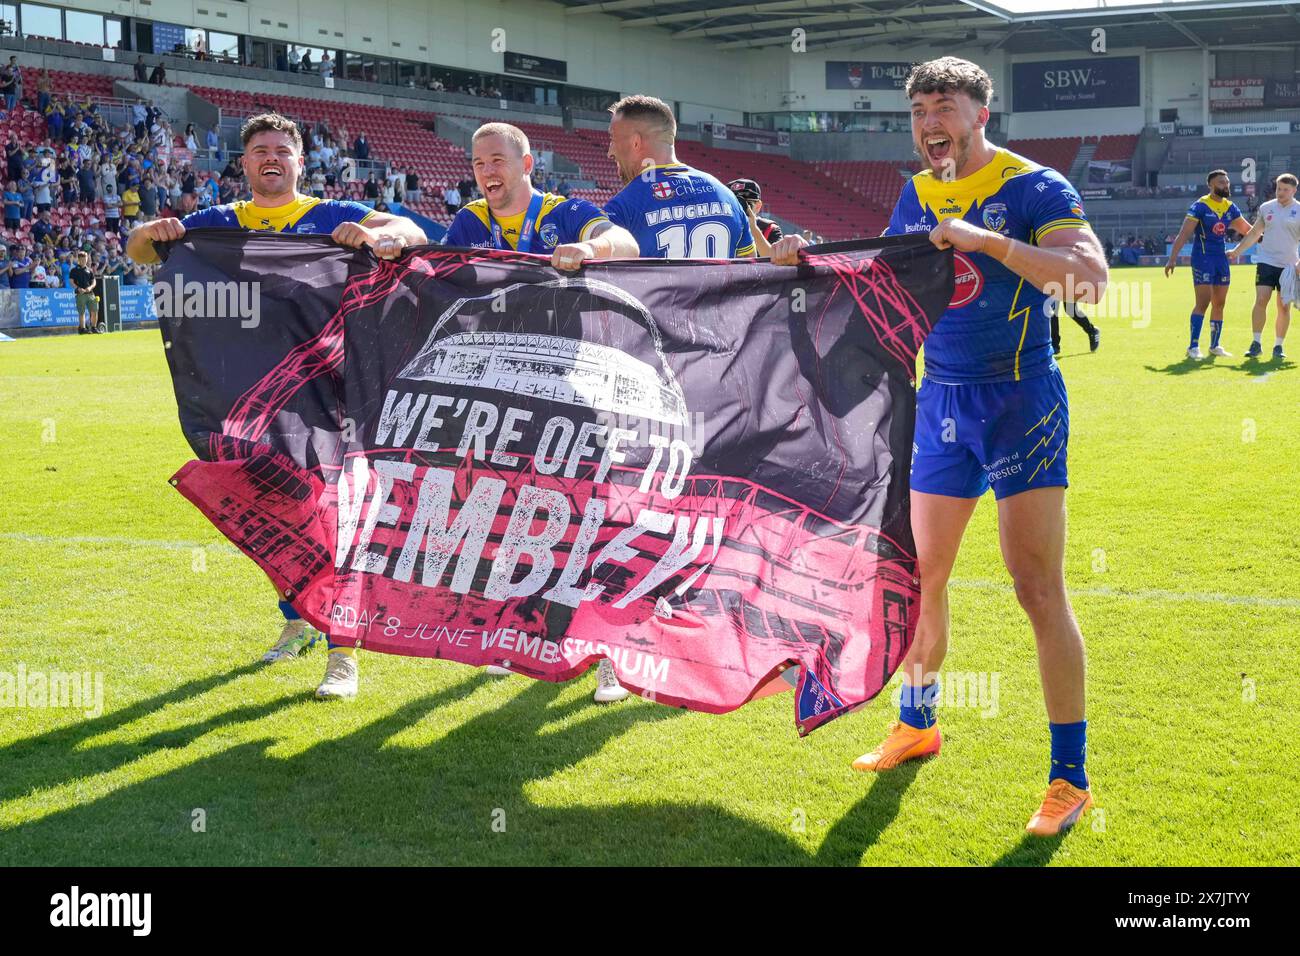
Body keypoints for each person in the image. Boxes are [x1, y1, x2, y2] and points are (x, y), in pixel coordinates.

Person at [773, 56, 1108, 837]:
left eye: (945, 105)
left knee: (1035, 588)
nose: (930, 121)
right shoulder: (917, 191)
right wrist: (806, 259)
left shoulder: (1035, 187)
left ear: (980, 114)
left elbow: (1088, 280)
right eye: (920, 107)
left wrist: (988, 243)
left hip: (1021, 400)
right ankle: (918, 722)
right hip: (943, 403)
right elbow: (882, 277)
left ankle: (1070, 776)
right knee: (922, 575)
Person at [126, 113, 428, 702]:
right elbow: (139, 248)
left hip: (327, 395)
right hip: (249, 401)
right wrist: (153, 230)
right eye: (260, 150)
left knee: (337, 516)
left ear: (299, 161)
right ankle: (296, 617)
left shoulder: (332, 216)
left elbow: (410, 231)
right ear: (243, 164)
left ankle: (343, 651)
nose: (271, 158)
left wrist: (378, 237)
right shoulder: (218, 224)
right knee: (278, 514)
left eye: (282, 150)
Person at [442, 121, 641, 702]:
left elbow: (625, 243)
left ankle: (607, 652)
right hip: (504, 392)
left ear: (527, 165)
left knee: (591, 515)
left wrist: (590, 248)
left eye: (498, 160)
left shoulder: (567, 210)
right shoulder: (469, 223)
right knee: (512, 511)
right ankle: (517, 634)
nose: (488, 172)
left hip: (579, 388)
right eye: (479, 163)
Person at [603, 95, 755, 259]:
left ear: (635, 143)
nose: (610, 152)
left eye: (613, 138)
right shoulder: (726, 196)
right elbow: (750, 271)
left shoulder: (623, 207)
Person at [1164, 169, 1251, 359]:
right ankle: (1193, 347)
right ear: (1210, 185)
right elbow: (1184, 233)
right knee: (1203, 302)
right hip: (1202, 258)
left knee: (1219, 303)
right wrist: (1172, 258)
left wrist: (1269, 235)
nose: (1226, 185)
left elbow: (1248, 230)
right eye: (1221, 182)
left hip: (1221, 258)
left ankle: (1214, 345)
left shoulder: (1230, 207)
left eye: (1227, 182)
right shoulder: (1200, 206)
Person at [1228, 171, 1297, 360]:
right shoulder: (1267, 208)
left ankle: (1278, 346)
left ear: (1293, 190)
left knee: (1283, 307)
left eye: (1285, 189)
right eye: (1278, 188)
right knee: (1261, 300)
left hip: (1289, 266)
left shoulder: (1299, 210)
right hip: (1266, 261)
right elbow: (1253, 233)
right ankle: (1256, 343)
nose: (1280, 192)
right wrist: (1237, 251)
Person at [727, 178, 782, 257]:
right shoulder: (721, 226)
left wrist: (753, 229)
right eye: (733, 203)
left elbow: (775, 259)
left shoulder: (769, 228)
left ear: (758, 206)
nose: (739, 209)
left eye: (744, 204)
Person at [71, 251, 98, 334]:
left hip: (90, 293)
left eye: (85, 259)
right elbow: (71, 282)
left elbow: (94, 282)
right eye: (82, 259)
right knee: (82, 312)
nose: (84, 261)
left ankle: (93, 327)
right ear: (78, 259)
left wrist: (90, 287)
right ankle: (82, 329)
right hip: (80, 294)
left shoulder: (89, 270)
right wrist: (78, 288)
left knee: (94, 311)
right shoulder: (74, 270)